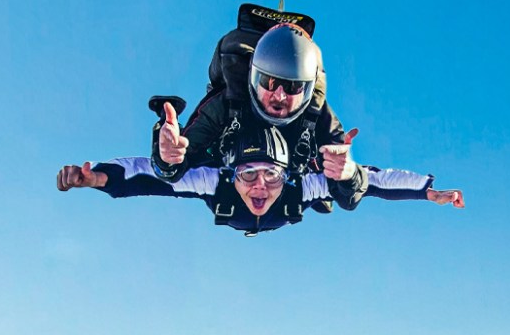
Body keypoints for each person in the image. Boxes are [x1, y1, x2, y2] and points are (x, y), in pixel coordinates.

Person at [56, 129, 463, 237]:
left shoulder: (298, 186)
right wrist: (98, 178)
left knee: (337, 186)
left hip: (299, 195)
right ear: (233, 174)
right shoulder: (214, 182)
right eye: (249, 174)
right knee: (180, 169)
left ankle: (321, 191)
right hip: (237, 194)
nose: (261, 187)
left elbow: (372, 180)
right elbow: (147, 177)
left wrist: (427, 191)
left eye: (272, 175)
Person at [153, 19, 363, 212]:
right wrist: (167, 158)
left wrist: (349, 175)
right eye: (269, 82)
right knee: (200, 165)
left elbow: (350, 199)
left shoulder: (319, 118)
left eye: (293, 86)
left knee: (326, 197)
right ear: (253, 77)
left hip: (287, 178)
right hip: (229, 171)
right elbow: (175, 169)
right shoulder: (225, 104)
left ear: (307, 90)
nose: (279, 96)